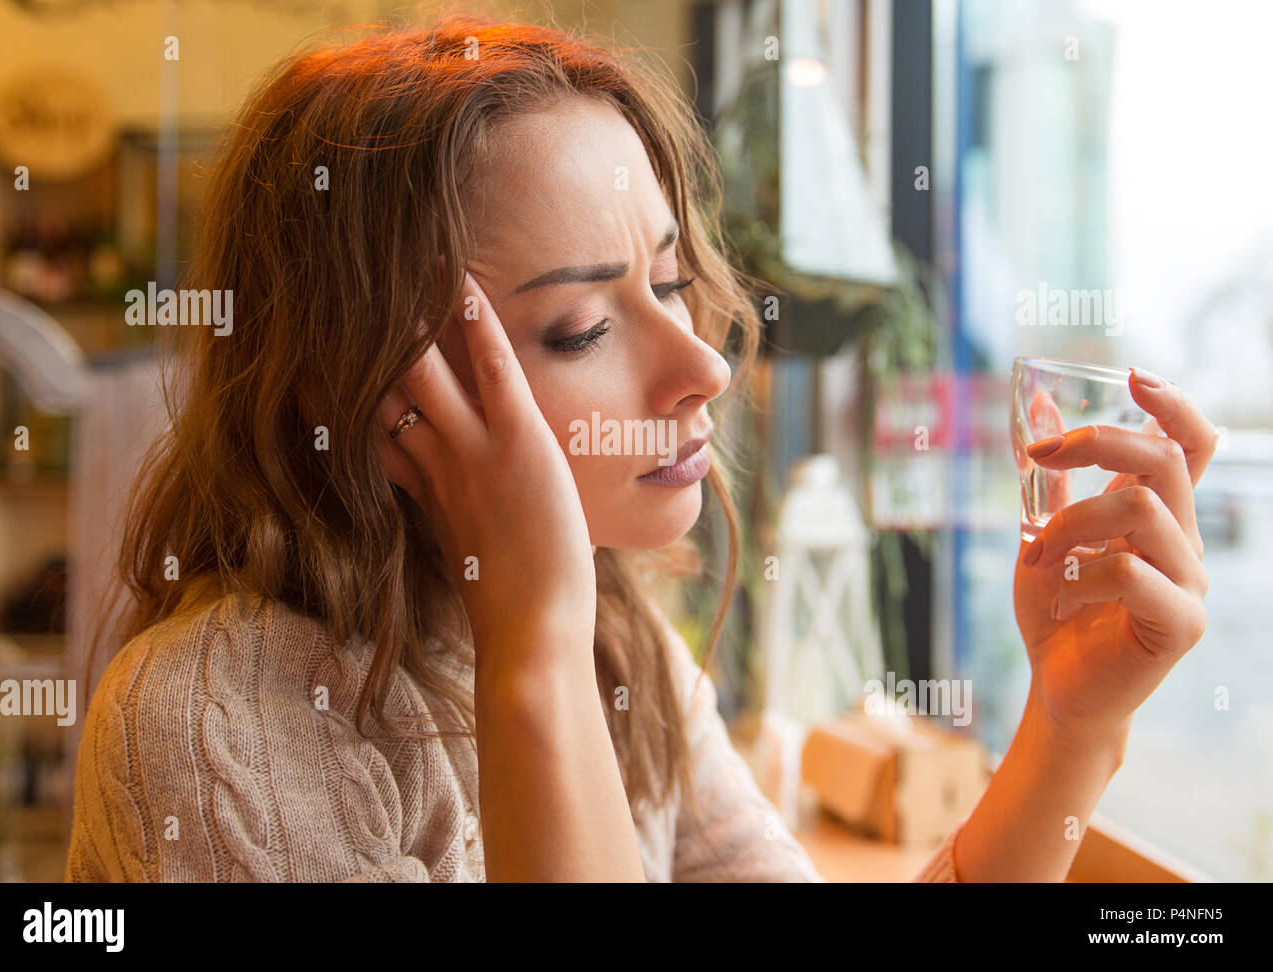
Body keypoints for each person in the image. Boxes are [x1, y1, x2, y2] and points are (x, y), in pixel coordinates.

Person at [65, 14, 1217, 883]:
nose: (704, 364)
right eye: (581, 328)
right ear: (374, 393)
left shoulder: (626, 649)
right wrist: (534, 645)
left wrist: (1072, 727)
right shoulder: (209, 727)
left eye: (668, 280)